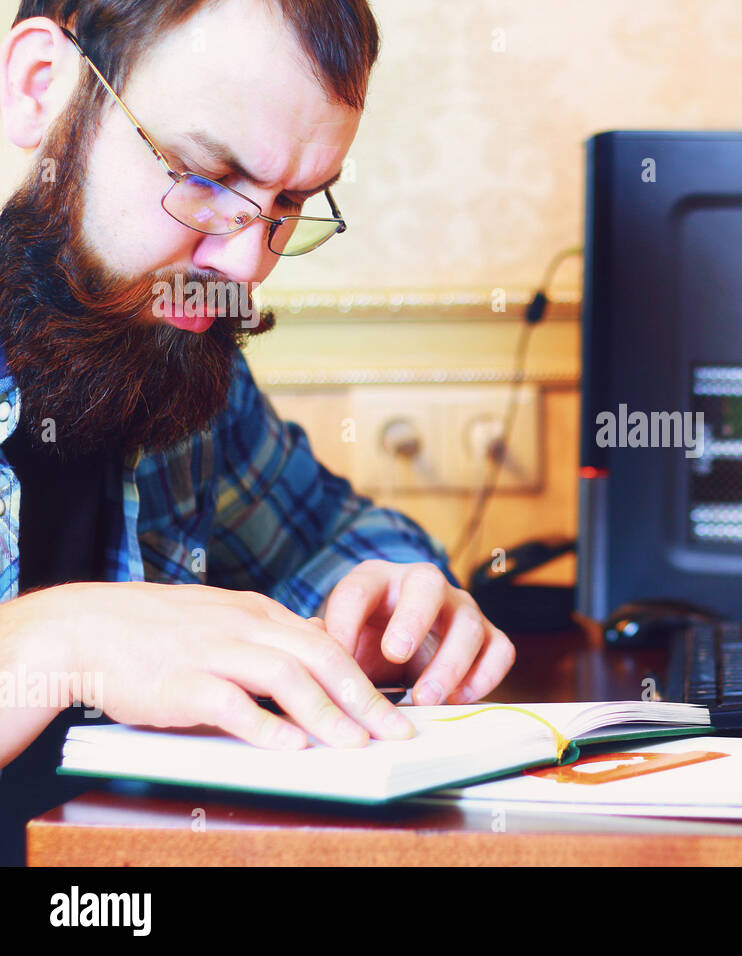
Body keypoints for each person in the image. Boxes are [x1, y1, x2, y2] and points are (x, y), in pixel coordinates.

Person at [0, 0, 515, 863]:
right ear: (41, 86)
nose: (244, 266)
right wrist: (57, 640)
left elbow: (330, 538)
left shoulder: (175, 359)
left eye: (286, 206)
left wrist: (396, 607)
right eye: (203, 177)